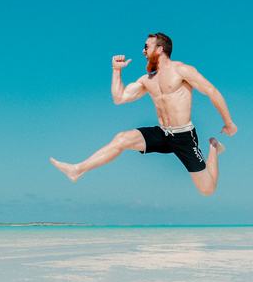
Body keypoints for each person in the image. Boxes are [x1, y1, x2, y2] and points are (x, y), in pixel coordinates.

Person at [50, 32, 237, 196]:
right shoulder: (148, 80)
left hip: (184, 136)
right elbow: (119, 98)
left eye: (146, 47)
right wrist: (116, 71)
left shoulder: (182, 70)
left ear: (160, 49)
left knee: (207, 190)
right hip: (162, 133)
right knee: (122, 139)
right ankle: (77, 170)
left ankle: (213, 147)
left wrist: (228, 123)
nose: (143, 51)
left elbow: (212, 91)